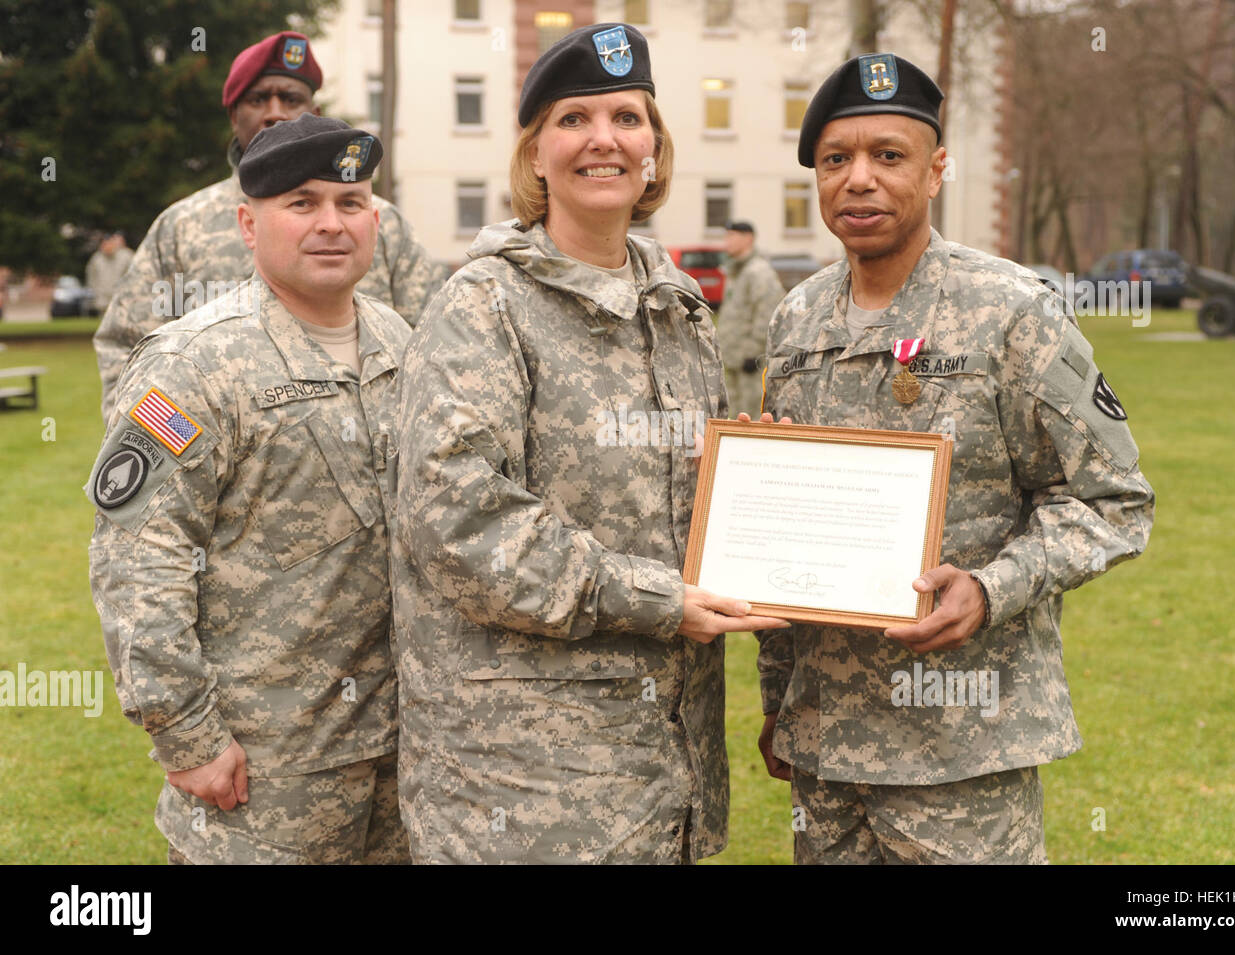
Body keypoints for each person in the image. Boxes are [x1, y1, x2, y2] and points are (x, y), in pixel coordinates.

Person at [392, 23, 788, 864]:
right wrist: (659, 596)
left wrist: (756, 483)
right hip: (527, 789)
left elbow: (680, 501)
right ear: (536, 155)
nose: (603, 139)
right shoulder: (483, 307)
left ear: (654, 149)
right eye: (573, 120)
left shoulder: (678, 308)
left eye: (627, 117)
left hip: (662, 765)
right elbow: (460, 524)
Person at [752, 53, 1155, 864]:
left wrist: (990, 586)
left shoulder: (1011, 312)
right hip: (827, 755)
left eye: (888, 156)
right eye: (837, 160)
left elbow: (1115, 499)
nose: (859, 179)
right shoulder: (796, 321)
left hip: (963, 748)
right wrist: (780, 701)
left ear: (937, 170)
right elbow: (788, 539)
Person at [86, 114, 411, 864]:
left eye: (351, 202)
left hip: (400, 763)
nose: (331, 223)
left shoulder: (402, 343)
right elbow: (135, 554)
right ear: (247, 220)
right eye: (302, 202)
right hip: (264, 777)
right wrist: (187, 732)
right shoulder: (191, 363)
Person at [93, 30, 443, 423]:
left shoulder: (379, 223)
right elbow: (126, 346)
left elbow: (430, 342)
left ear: (313, 108)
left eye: (291, 99)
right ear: (233, 114)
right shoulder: (181, 226)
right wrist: (186, 435)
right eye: (258, 99)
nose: (275, 111)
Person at [716, 221, 786, 416]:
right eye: (726, 237)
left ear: (748, 239)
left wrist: (753, 353)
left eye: (732, 236)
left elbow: (767, 315)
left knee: (753, 415)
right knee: (736, 413)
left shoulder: (758, 272)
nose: (726, 242)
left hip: (750, 362)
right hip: (734, 359)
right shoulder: (737, 271)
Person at [85, 232, 134, 314]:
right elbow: (91, 276)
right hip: (103, 297)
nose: (107, 245)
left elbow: (133, 274)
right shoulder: (96, 259)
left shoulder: (126, 256)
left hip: (121, 296)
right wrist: (96, 291)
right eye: (104, 243)